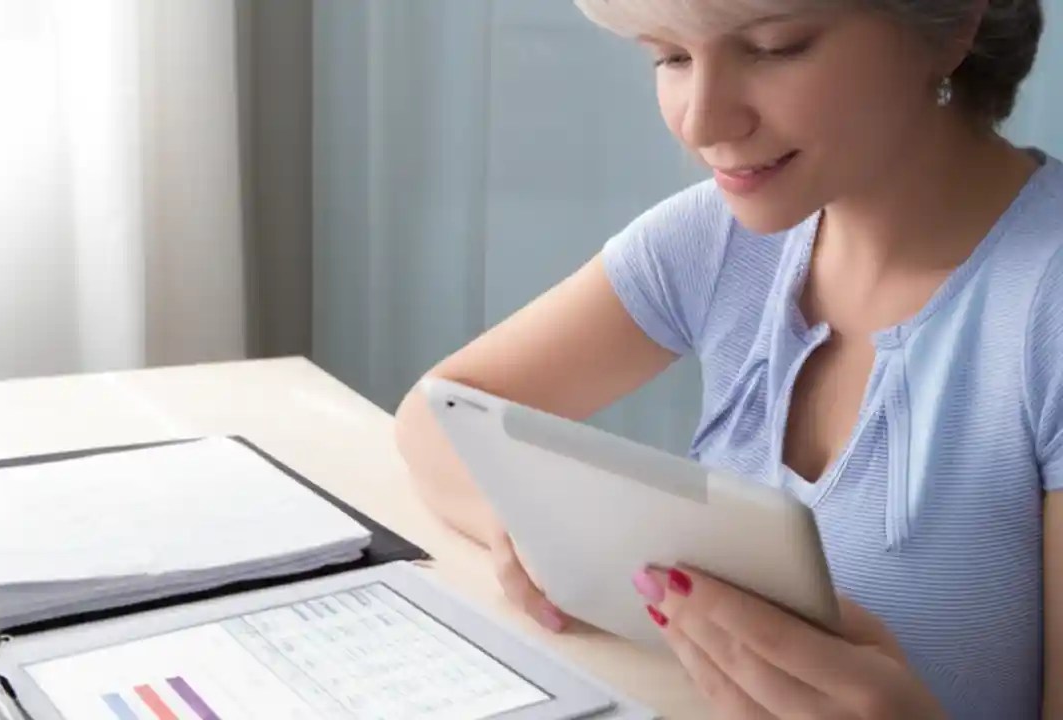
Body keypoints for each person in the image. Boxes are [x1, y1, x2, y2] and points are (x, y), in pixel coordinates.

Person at [392, 1, 1059, 718]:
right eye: (670, 57)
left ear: (953, 24)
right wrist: (524, 527)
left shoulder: (1042, 309)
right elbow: (440, 412)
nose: (701, 123)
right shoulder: (719, 242)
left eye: (775, 48)